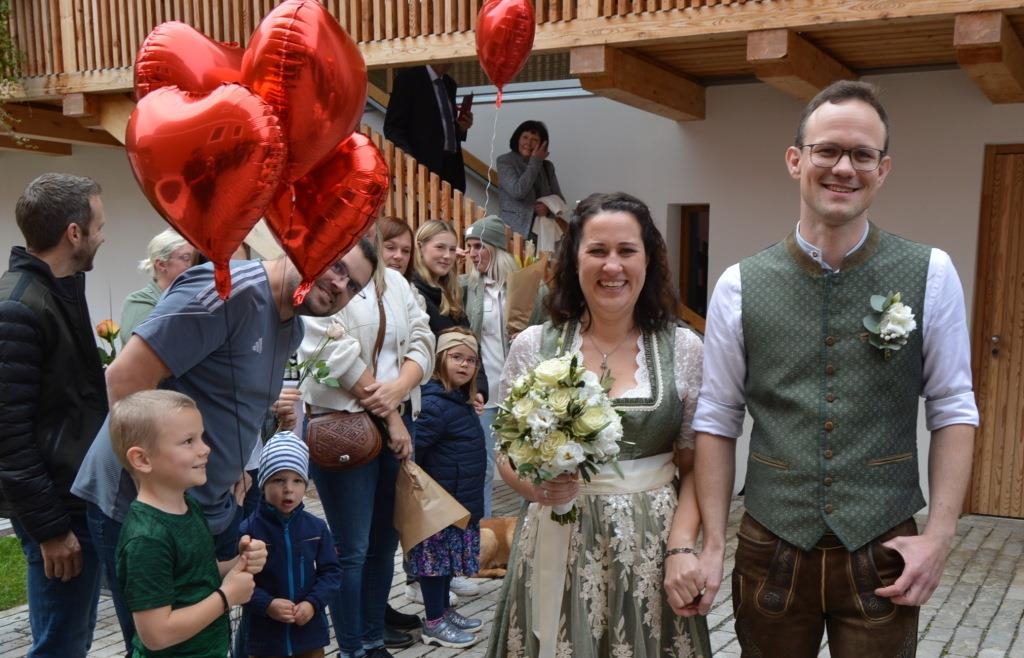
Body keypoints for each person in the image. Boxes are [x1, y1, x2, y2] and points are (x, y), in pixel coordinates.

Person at [678, 81, 979, 657]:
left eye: (863, 154)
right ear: (796, 160)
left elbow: (953, 406)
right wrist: (714, 543)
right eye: (828, 150)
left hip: (884, 546)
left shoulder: (931, 272)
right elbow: (717, 417)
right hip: (772, 544)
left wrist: (939, 536)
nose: (844, 167)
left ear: (883, 169)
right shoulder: (739, 285)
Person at [72, 245, 374, 655]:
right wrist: (159, 494)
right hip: (143, 508)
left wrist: (235, 462)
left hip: (207, 504)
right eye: (336, 265)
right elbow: (124, 382)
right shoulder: (225, 290)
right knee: (162, 647)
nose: (340, 284)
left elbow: (233, 398)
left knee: (208, 639)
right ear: (307, 239)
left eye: (353, 284)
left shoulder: (294, 327)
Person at [486, 192, 712, 658]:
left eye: (627, 251)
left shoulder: (683, 349)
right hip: (554, 538)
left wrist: (683, 547)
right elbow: (507, 453)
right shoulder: (533, 345)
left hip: (648, 549)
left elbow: (694, 466)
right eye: (598, 251)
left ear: (648, 260)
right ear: (574, 260)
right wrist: (534, 489)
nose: (613, 266)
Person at [298, 238, 434, 658]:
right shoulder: (321, 277)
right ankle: (352, 647)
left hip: (396, 420)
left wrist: (399, 389)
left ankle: (374, 639)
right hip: (344, 427)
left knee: (384, 543)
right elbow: (332, 352)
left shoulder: (395, 281)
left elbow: (422, 337)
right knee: (351, 547)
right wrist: (390, 412)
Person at [0, 173, 108, 658]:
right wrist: (50, 530)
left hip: (77, 498)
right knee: (59, 646)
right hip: (56, 509)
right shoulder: (17, 308)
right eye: (99, 225)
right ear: (74, 233)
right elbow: (8, 438)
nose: (103, 235)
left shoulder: (62, 288)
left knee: (73, 640)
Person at [110, 390, 266, 658]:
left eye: (201, 437)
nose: (205, 448)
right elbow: (156, 635)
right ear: (142, 459)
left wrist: (237, 563)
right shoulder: (146, 539)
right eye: (188, 441)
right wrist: (227, 597)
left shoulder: (188, 506)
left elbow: (195, 575)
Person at [461, 215, 545, 518]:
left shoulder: (528, 288)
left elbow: (555, 333)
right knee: (482, 467)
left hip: (524, 394)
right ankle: (483, 538)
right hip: (485, 394)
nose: (471, 253)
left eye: (478, 246)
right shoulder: (467, 288)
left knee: (531, 465)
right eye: (468, 247)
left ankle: (533, 529)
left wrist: (530, 336)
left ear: (495, 248)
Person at [411, 328, 487, 649]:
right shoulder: (434, 404)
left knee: (445, 563)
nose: (464, 365)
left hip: (457, 499)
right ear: (439, 359)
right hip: (437, 502)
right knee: (433, 563)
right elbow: (415, 450)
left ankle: (443, 610)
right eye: (456, 357)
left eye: (470, 360)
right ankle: (433, 622)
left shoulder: (458, 401)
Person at [240, 431, 342, 658]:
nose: (289, 489)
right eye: (278, 480)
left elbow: (331, 572)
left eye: (297, 480)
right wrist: (267, 604)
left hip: (309, 632)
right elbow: (240, 582)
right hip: (265, 636)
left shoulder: (316, 527)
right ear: (262, 484)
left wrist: (313, 603)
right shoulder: (249, 530)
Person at [384, 64, 473, 192]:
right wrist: (408, 156)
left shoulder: (449, 84)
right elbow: (393, 127)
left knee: (453, 210)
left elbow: (444, 128)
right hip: (423, 167)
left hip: (452, 167)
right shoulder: (409, 79)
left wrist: (461, 129)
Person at [119, 228, 194, 345]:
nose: (193, 265)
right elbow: (141, 353)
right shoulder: (140, 302)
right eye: (186, 258)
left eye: (194, 259)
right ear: (161, 264)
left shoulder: (191, 299)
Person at [496, 120, 565, 239]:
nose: (528, 142)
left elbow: (560, 199)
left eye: (534, 140)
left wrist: (548, 210)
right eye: (525, 137)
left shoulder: (547, 166)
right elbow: (518, 191)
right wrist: (535, 162)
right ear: (518, 138)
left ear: (542, 145)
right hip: (513, 232)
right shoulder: (505, 161)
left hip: (542, 233)